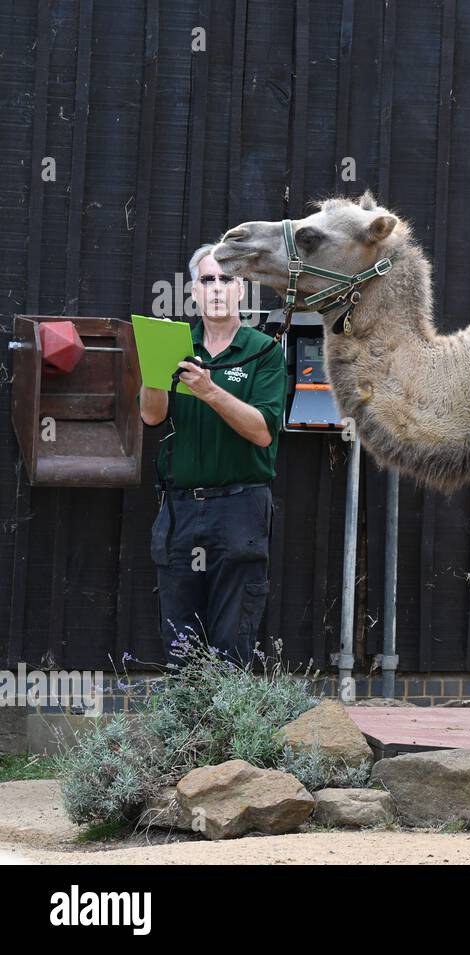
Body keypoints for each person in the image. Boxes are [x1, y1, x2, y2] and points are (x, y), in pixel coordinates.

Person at [139, 244, 287, 665]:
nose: (218, 289)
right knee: (180, 637)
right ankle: (186, 729)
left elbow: (261, 432)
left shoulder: (263, 351)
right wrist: (154, 370)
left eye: (227, 279)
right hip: (181, 509)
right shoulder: (177, 343)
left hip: (240, 508)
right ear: (194, 291)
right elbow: (152, 417)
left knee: (232, 637)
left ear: (242, 290)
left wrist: (208, 391)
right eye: (208, 280)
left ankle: (227, 729)